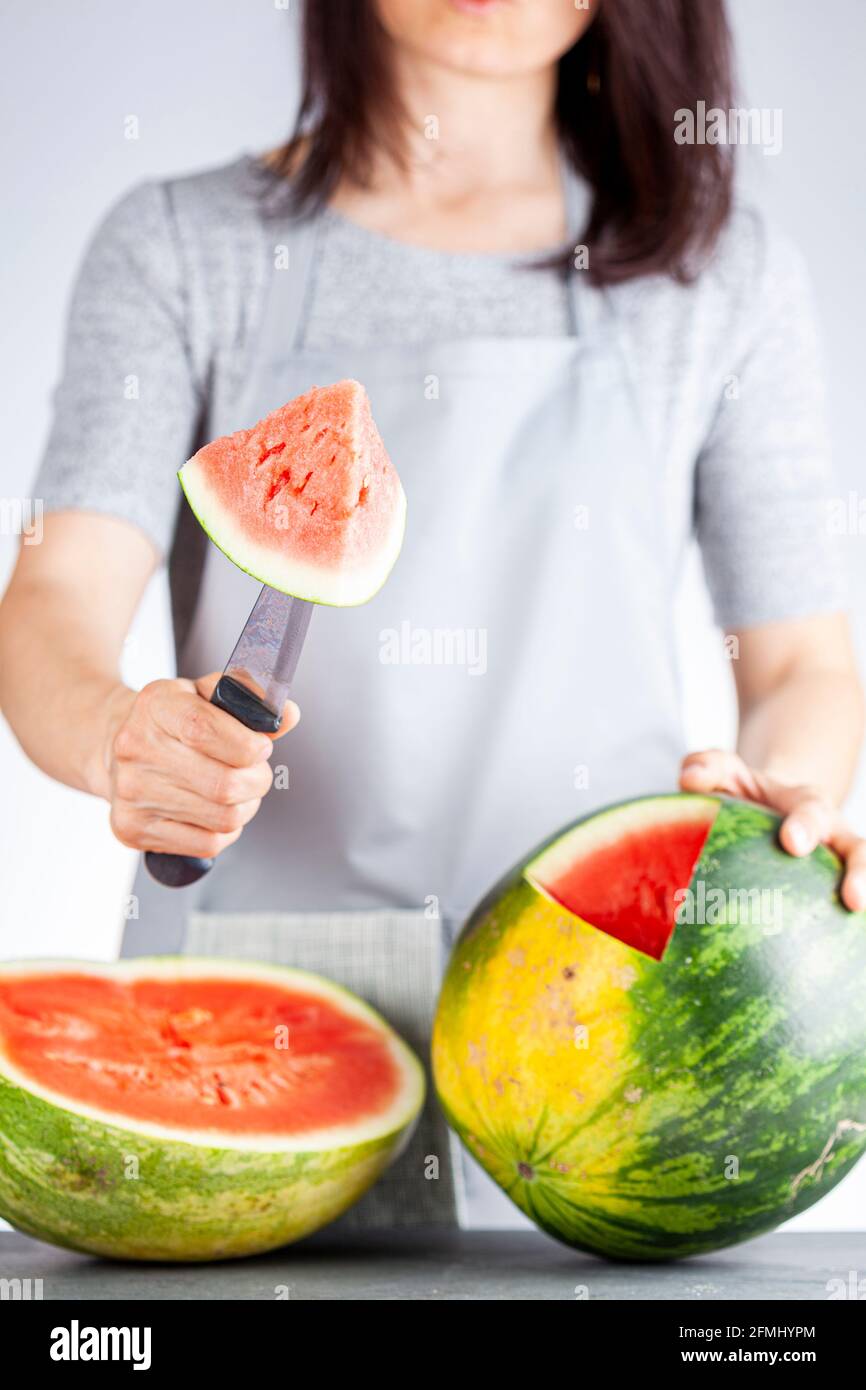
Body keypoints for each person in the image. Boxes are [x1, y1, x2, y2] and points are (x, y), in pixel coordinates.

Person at [1, 0, 863, 1229]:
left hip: (602, 1034)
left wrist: (773, 809)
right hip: (247, 1038)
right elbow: (54, 596)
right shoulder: (182, 246)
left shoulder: (721, 275)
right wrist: (113, 737)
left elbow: (799, 666)